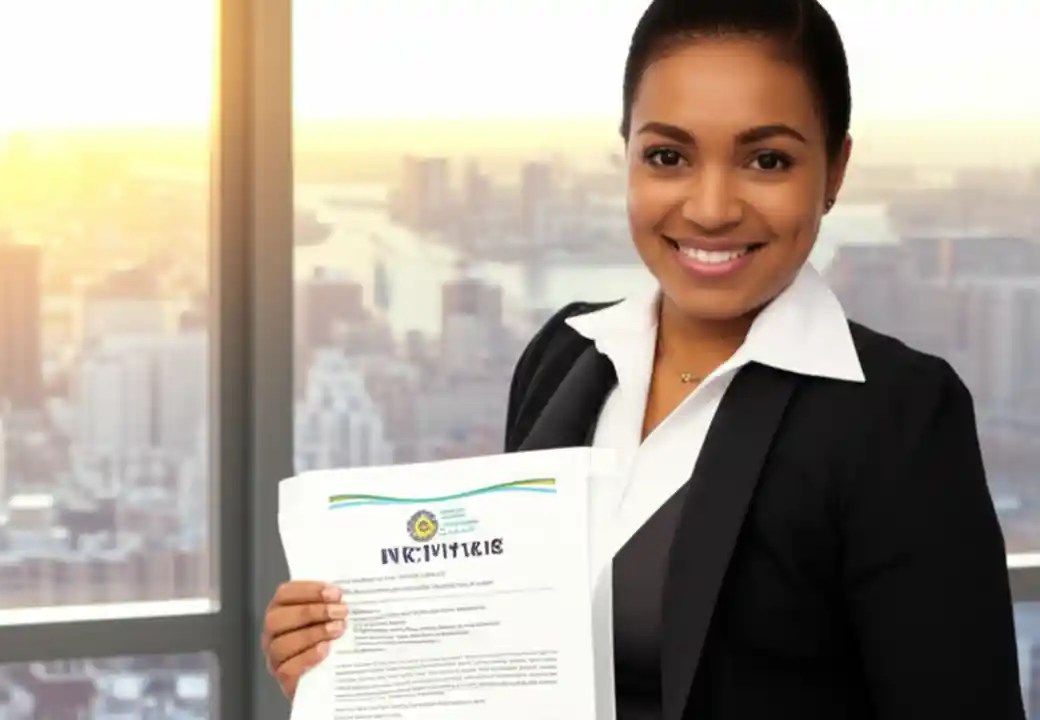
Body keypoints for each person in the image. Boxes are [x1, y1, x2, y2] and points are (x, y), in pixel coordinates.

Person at [261, 0, 1026, 717]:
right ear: (626, 156)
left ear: (835, 172)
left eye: (766, 161)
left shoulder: (897, 416)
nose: (712, 207)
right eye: (668, 156)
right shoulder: (565, 357)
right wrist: (349, 658)